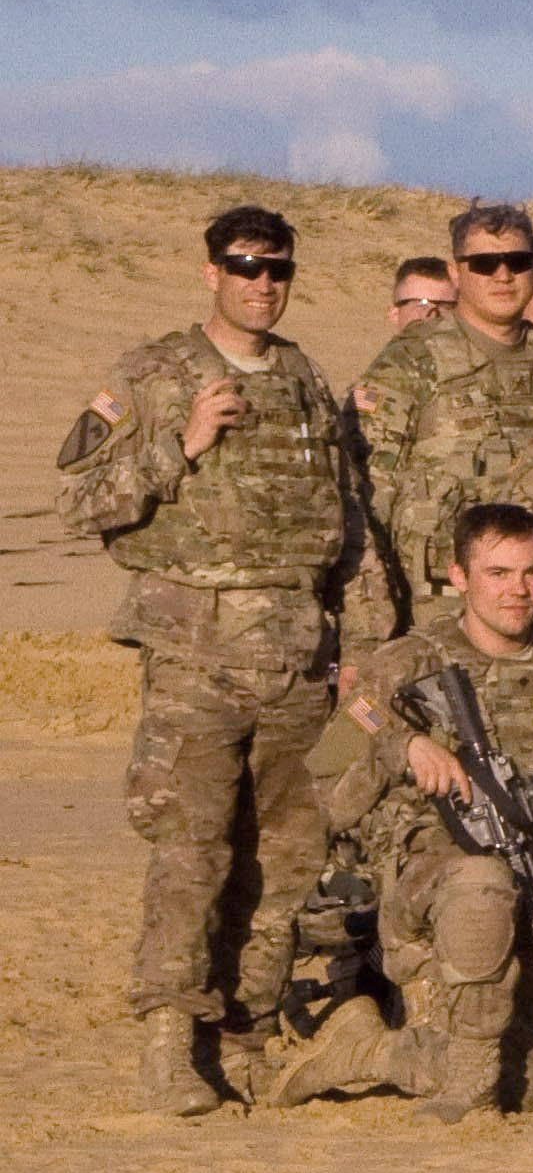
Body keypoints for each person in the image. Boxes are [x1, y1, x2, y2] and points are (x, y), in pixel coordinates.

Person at [68, 206, 368, 1112]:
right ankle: (169, 1045)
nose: (261, 284)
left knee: (285, 858)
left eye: (276, 269)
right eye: (243, 267)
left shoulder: (306, 377)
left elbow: (347, 527)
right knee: (190, 855)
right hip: (195, 658)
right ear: (210, 273)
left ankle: (243, 1034)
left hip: (296, 658)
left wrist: (355, 648)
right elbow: (82, 505)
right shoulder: (154, 373)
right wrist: (181, 444)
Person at [278, 505, 533, 1119]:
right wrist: (402, 747)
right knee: (482, 879)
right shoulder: (403, 664)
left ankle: (364, 1051)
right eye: (498, 573)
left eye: (532, 573)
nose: (518, 590)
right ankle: (464, 1075)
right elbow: (326, 774)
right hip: (441, 896)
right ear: (459, 576)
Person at [357, 204, 533, 601]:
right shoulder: (409, 364)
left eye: (517, 262)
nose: (503, 275)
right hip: (442, 610)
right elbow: (368, 501)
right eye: (485, 264)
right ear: (456, 273)